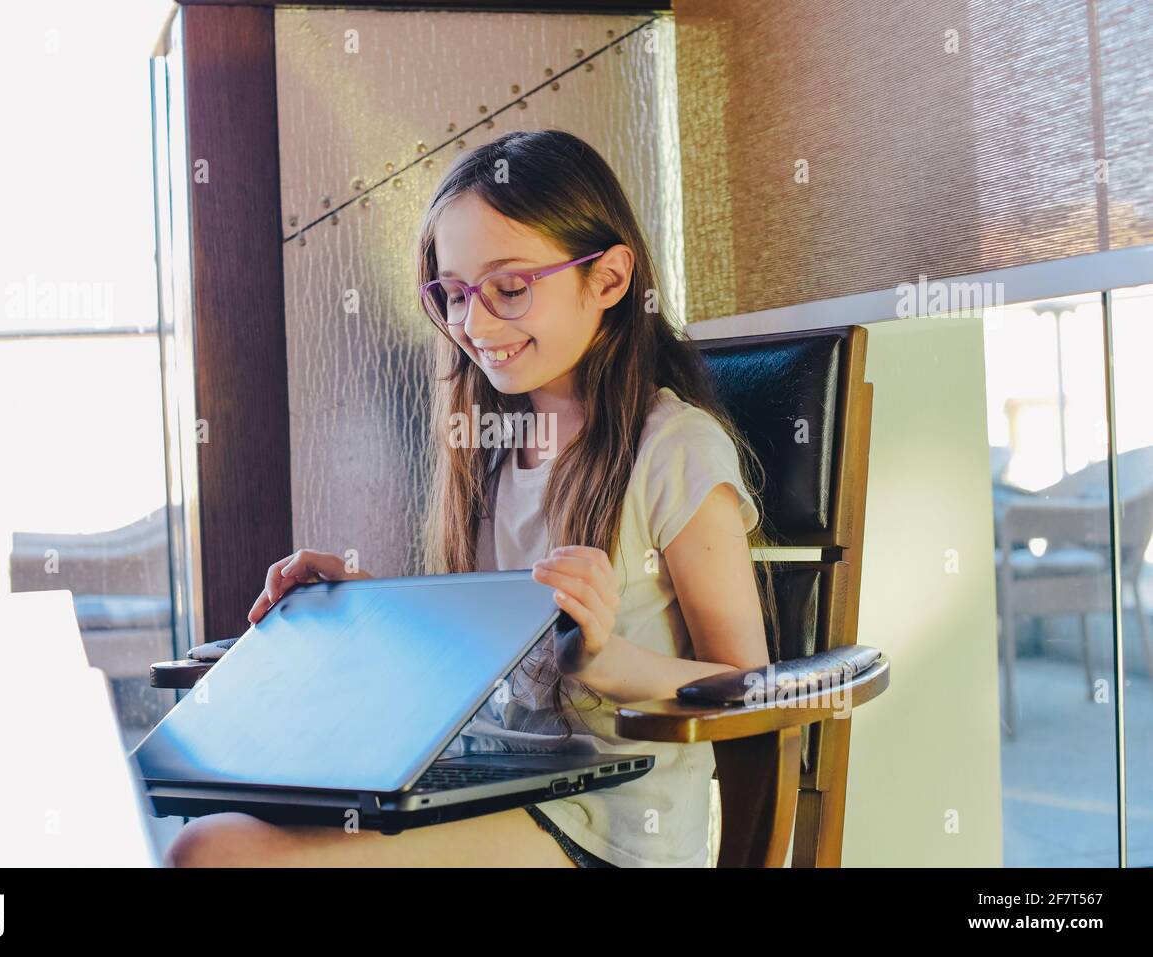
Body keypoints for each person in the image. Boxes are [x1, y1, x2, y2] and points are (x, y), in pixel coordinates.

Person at [164, 128, 776, 868]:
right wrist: (362, 614)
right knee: (207, 834)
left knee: (217, 853)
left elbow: (750, 693)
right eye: (454, 295)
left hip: (607, 831)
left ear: (610, 279)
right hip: (498, 786)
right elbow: (487, 663)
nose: (475, 326)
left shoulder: (675, 448)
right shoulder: (489, 442)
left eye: (510, 288)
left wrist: (605, 658)